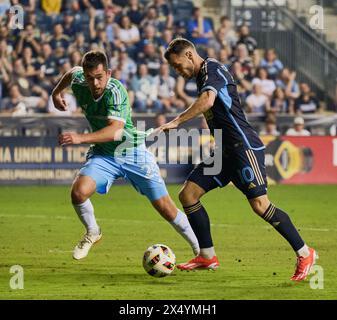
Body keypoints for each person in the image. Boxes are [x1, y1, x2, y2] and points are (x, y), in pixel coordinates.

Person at [159, 38, 317, 281]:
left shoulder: (213, 69)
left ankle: (305, 253)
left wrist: (177, 121)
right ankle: (207, 256)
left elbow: (208, 101)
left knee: (260, 205)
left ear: (190, 55)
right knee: (188, 195)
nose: (178, 71)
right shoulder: (202, 76)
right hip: (223, 151)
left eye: (178, 65)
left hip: (243, 147)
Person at [51, 50, 199, 260]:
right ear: (85, 75)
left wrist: (80, 138)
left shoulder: (115, 90)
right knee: (78, 192)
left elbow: (115, 131)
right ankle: (93, 232)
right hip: (104, 156)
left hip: (131, 151)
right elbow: (71, 73)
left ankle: (200, 249)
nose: (95, 83)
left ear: (108, 73)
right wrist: (56, 93)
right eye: (90, 78)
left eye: (99, 77)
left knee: (166, 208)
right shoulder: (79, 80)